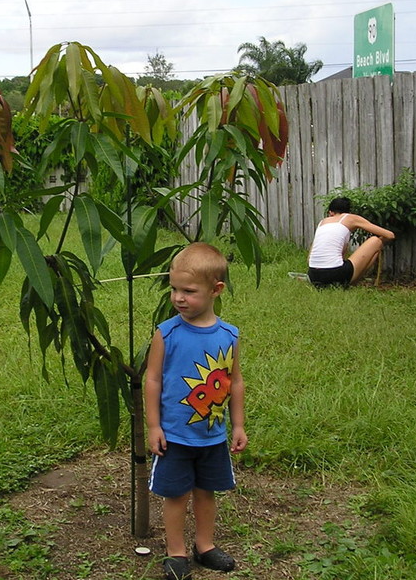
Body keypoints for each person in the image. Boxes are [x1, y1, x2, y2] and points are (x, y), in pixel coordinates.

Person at [144, 242, 247, 580]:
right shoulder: (167, 333)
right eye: (174, 288)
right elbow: (153, 380)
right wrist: (154, 426)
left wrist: (238, 425)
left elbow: (234, 382)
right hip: (175, 435)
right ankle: (176, 553)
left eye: (188, 291)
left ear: (216, 290)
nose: (178, 297)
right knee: (176, 494)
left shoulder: (229, 335)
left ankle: (205, 546)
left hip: (212, 436)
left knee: (207, 491)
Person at [307, 197, 395, 288]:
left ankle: (344, 283)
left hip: (313, 276)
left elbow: (309, 258)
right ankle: (350, 283)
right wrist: (379, 244)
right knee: (375, 241)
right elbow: (390, 235)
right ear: (348, 212)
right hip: (334, 274)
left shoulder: (322, 222)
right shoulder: (350, 218)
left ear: (330, 212)